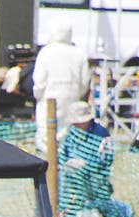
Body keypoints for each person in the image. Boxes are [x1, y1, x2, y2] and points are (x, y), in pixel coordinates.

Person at [58, 101, 135, 217]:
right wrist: (65, 164)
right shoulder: (69, 133)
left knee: (101, 204)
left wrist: (86, 165)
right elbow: (62, 153)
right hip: (71, 175)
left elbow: (106, 159)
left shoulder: (101, 133)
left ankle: (125, 212)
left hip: (96, 177)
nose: (77, 124)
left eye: (80, 121)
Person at [32, 18, 90, 153]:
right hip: (71, 102)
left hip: (48, 102)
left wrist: (38, 96)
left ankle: (48, 170)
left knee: (46, 140)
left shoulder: (46, 52)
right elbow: (84, 84)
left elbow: (39, 82)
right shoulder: (79, 54)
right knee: (68, 141)